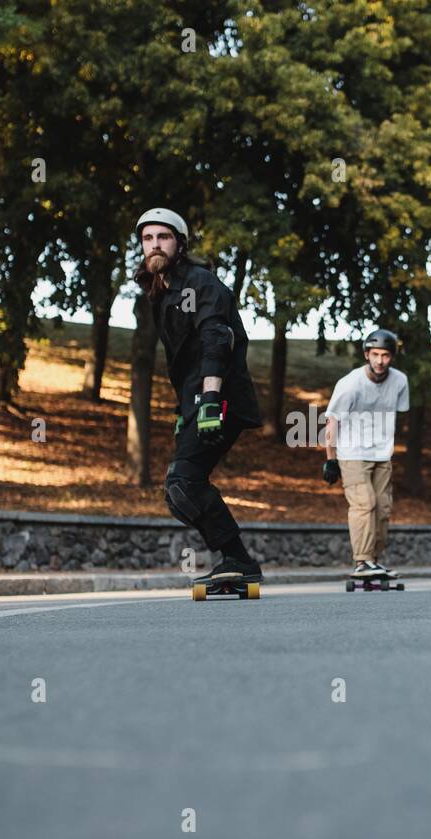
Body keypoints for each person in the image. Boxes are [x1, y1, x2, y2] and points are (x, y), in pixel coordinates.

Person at [134, 207, 264, 584]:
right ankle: (235, 559)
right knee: (178, 492)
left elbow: (216, 341)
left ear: (180, 243)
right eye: (148, 239)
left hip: (221, 398)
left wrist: (209, 400)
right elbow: (183, 361)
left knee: (183, 482)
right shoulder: (160, 292)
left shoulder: (201, 283)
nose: (155, 245)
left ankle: (239, 559)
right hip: (198, 401)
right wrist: (184, 408)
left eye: (164, 237)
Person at [321, 329, 410, 577]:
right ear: (366, 354)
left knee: (383, 509)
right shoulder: (350, 384)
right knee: (365, 503)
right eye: (375, 355)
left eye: (385, 355)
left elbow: (395, 414)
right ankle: (362, 561)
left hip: (382, 455)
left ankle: (373, 561)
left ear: (392, 357)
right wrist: (331, 459)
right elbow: (332, 422)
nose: (380, 361)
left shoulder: (400, 381)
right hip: (352, 453)